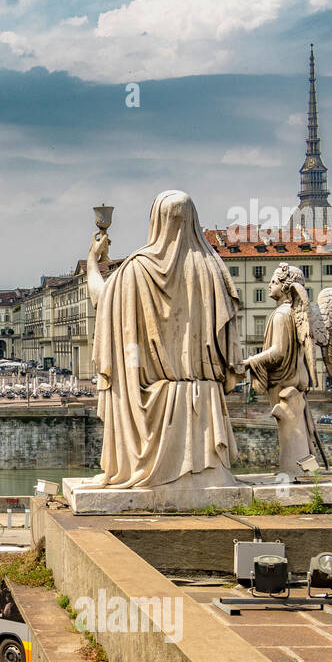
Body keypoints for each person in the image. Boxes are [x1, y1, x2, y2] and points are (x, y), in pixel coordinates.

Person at [83, 189, 242, 490]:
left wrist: (93, 260)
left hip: (148, 397)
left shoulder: (138, 268)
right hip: (204, 397)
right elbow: (227, 338)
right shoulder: (213, 268)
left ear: (155, 221)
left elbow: (101, 299)